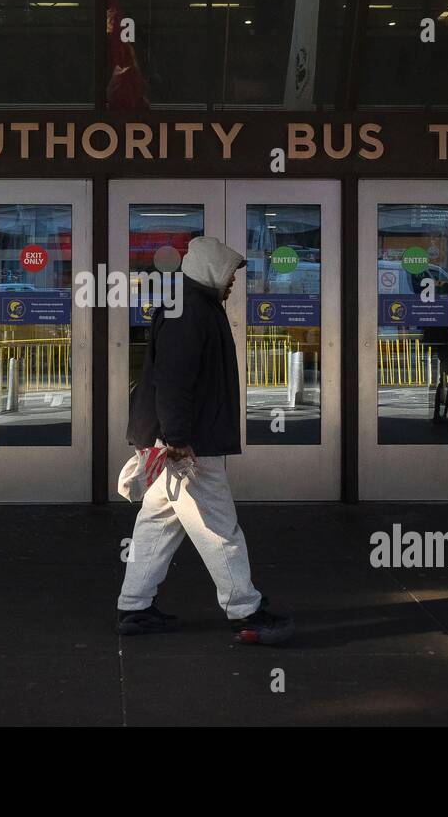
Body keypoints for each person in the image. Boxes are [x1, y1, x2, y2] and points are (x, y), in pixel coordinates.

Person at [117, 236, 294, 645]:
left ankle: (134, 607)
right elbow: (174, 382)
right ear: (213, 270)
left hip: (177, 439)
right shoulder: (191, 311)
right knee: (218, 527)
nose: (233, 281)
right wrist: (178, 439)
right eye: (230, 273)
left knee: (156, 522)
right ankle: (245, 611)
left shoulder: (190, 305)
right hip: (187, 445)